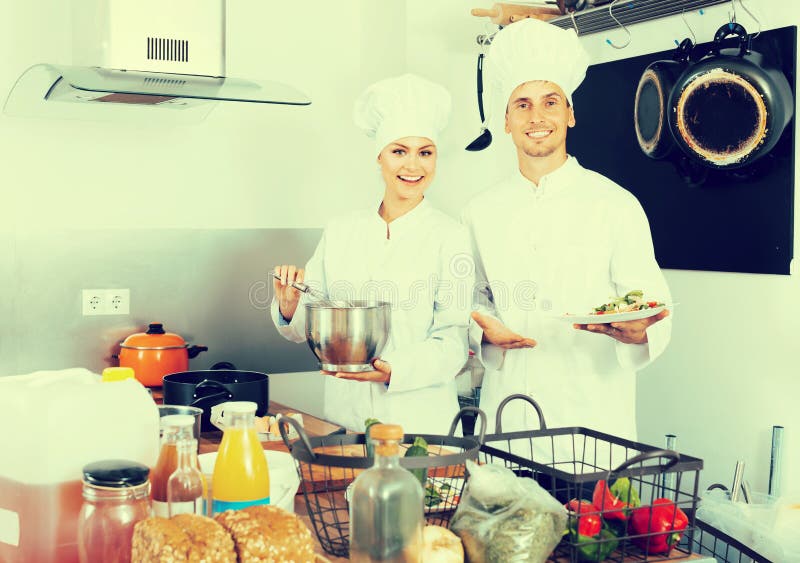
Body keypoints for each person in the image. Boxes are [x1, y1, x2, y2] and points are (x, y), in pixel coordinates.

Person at [462, 19, 672, 452]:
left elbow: (649, 303)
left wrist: (639, 331)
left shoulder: (616, 204)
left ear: (570, 113)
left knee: (590, 520)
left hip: (593, 421)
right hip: (509, 421)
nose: (536, 117)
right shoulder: (479, 210)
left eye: (550, 101)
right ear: (505, 120)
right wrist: (480, 330)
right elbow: (469, 300)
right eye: (521, 104)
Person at [271, 74, 472, 436]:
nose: (413, 166)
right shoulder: (341, 230)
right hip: (347, 420)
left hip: (420, 425)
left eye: (425, 152)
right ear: (379, 157)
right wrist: (289, 306)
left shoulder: (450, 236)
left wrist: (394, 367)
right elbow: (311, 326)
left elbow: (453, 341)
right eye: (399, 151)